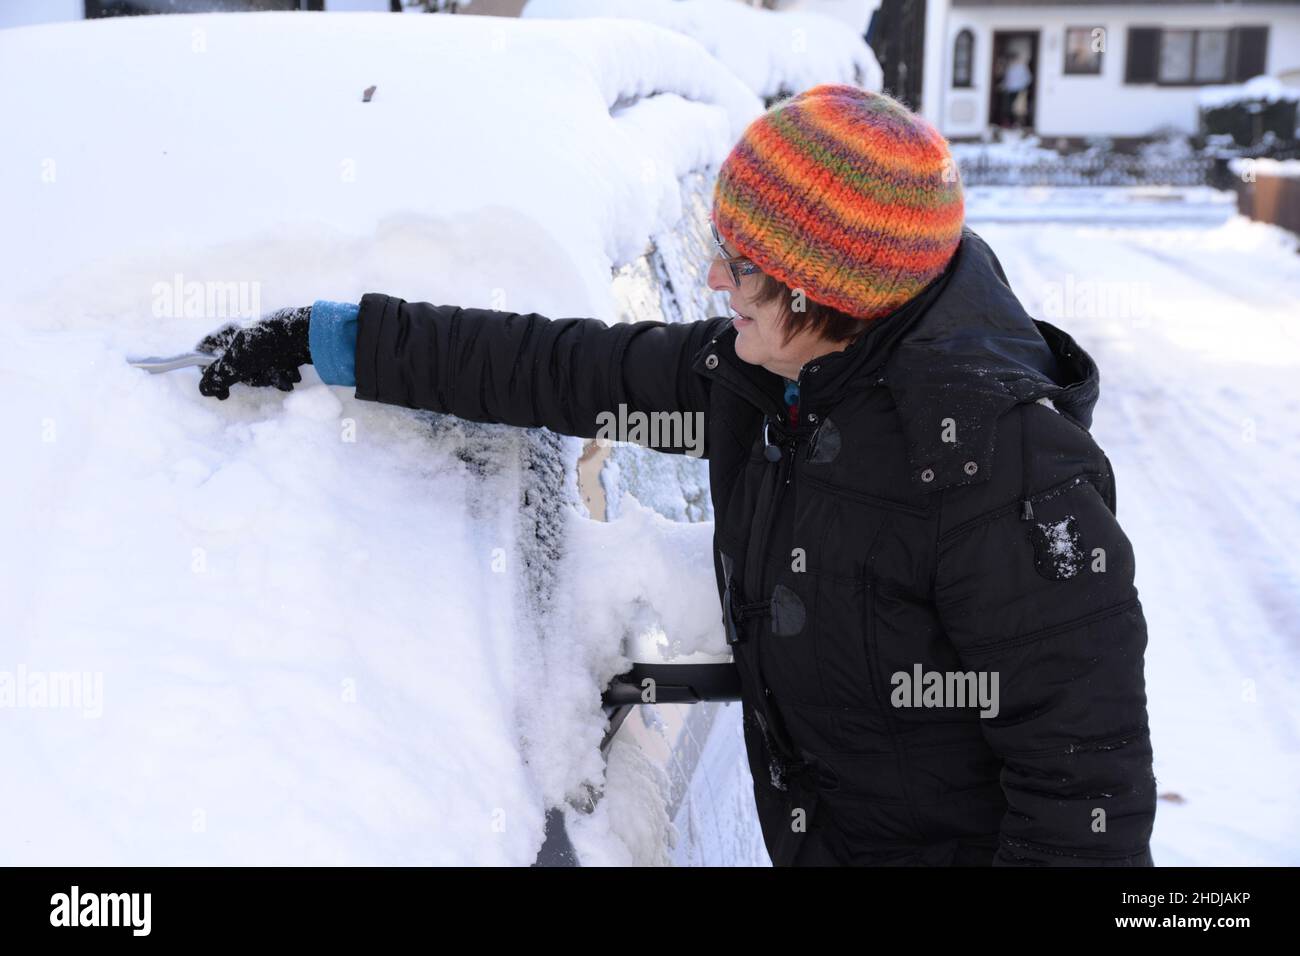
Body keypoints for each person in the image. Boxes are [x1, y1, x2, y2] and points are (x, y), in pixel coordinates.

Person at [196, 85, 1156, 867]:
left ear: (819, 289)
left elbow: (1085, 801)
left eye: (737, 264)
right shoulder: (779, 373)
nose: (711, 281)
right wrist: (336, 339)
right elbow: (560, 369)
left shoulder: (1007, 474)